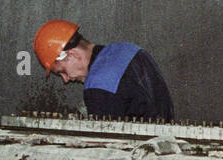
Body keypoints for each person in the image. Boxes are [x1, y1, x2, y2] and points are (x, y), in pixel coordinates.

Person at [34, 19, 175, 121]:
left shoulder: (98, 85)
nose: (66, 79)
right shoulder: (127, 49)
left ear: (73, 55)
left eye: (62, 71)